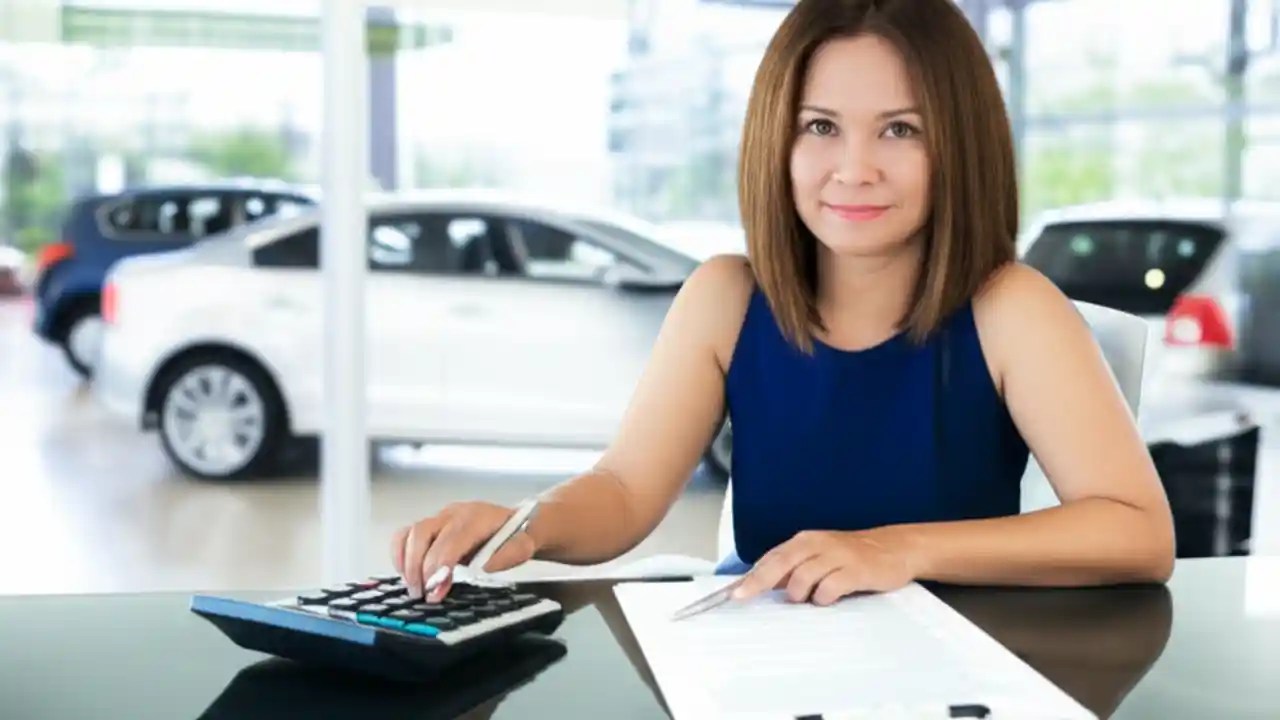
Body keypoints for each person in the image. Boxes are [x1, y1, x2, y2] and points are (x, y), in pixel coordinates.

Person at [391, 0, 1175, 606]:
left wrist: (898, 550)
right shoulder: (724, 296)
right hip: (767, 652)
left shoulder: (1010, 306)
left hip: (955, 663)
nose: (854, 168)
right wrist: (524, 525)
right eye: (821, 127)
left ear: (959, 146)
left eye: (900, 130)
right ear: (779, 141)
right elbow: (627, 492)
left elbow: (1138, 533)